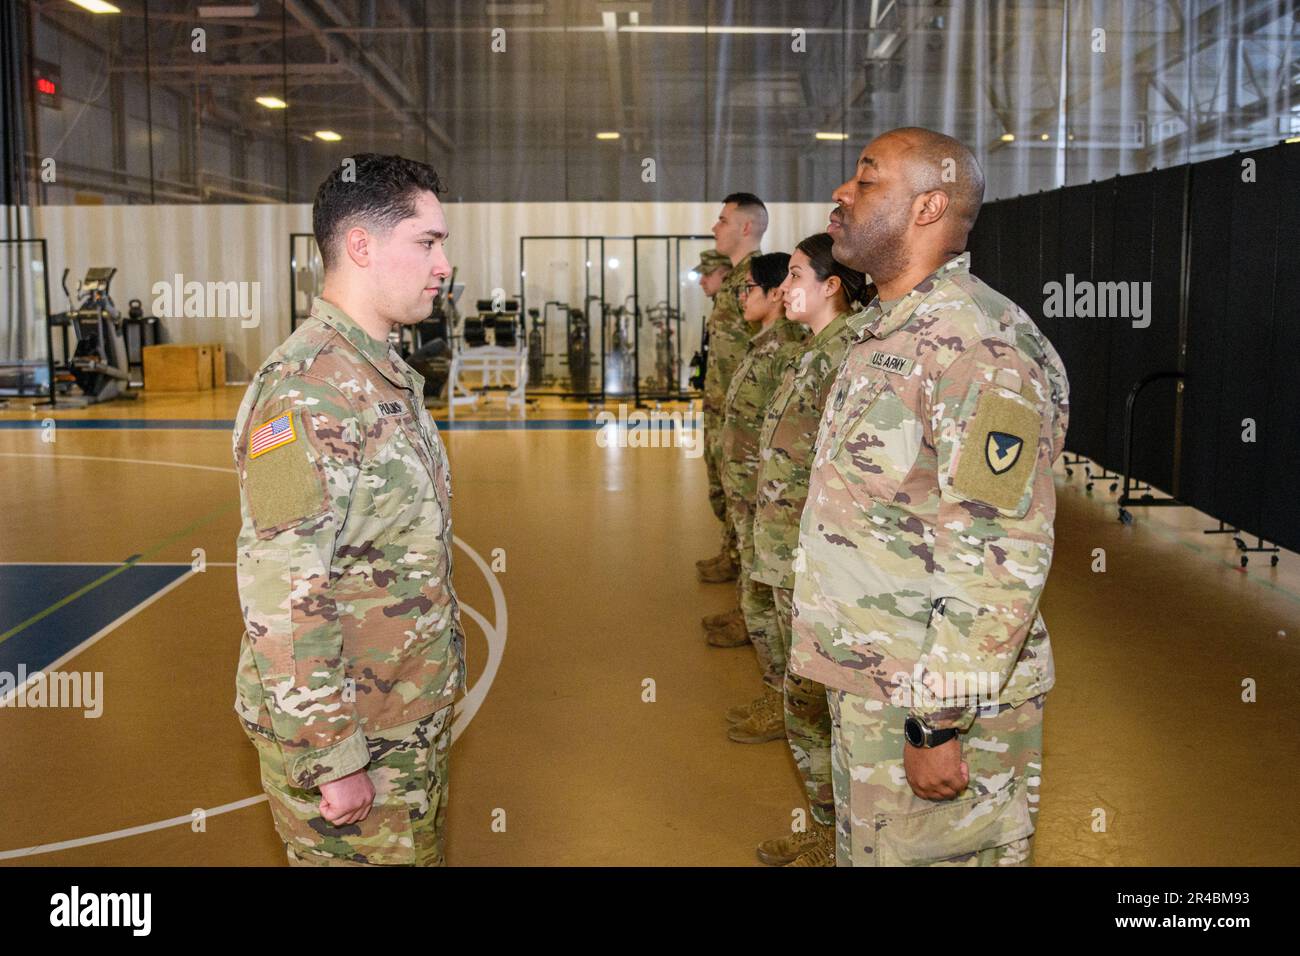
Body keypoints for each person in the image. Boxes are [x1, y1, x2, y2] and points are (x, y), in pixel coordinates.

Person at [787, 127, 1070, 866]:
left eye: (867, 179)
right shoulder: (886, 332)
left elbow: (998, 553)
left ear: (928, 206)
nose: (841, 195)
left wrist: (935, 723)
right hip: (875, 686)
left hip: (930, 701)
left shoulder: (977, 345)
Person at [232, 153, 464, 867]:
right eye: (427, 242)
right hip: (354, 731)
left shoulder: (380, 373)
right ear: (360, 245)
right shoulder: (306, 390)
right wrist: (334, 757)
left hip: (401, 714)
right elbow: (284, 591)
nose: (444, 265)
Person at [745, 233, 871, 866]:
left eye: (795, 274)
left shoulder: (846, 356)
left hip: (815, 558)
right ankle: (828, 827)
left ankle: (835, 835)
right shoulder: (811, 350)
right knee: (808, 700)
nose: (784, 287)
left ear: (831, 286)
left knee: (819, 702)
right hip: (788, 548)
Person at [717, 253, 806, 694]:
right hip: (746, 489)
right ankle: (775, 687)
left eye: (748, 288)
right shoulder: (761, 345)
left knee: (771, 599)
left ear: (775, 294)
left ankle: (780, 695)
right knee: (756, 591)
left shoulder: (786, 353)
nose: (740, 296)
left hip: (764, 493)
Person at [698, 194, 769, 608]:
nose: (715, 227)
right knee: (726, 493)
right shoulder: (736, 281)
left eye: (723, 220)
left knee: (746, 504)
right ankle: (731, 558)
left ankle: (751, 607)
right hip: (723, 407)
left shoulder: (756, 281)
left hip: (742, 416)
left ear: (746, 227)